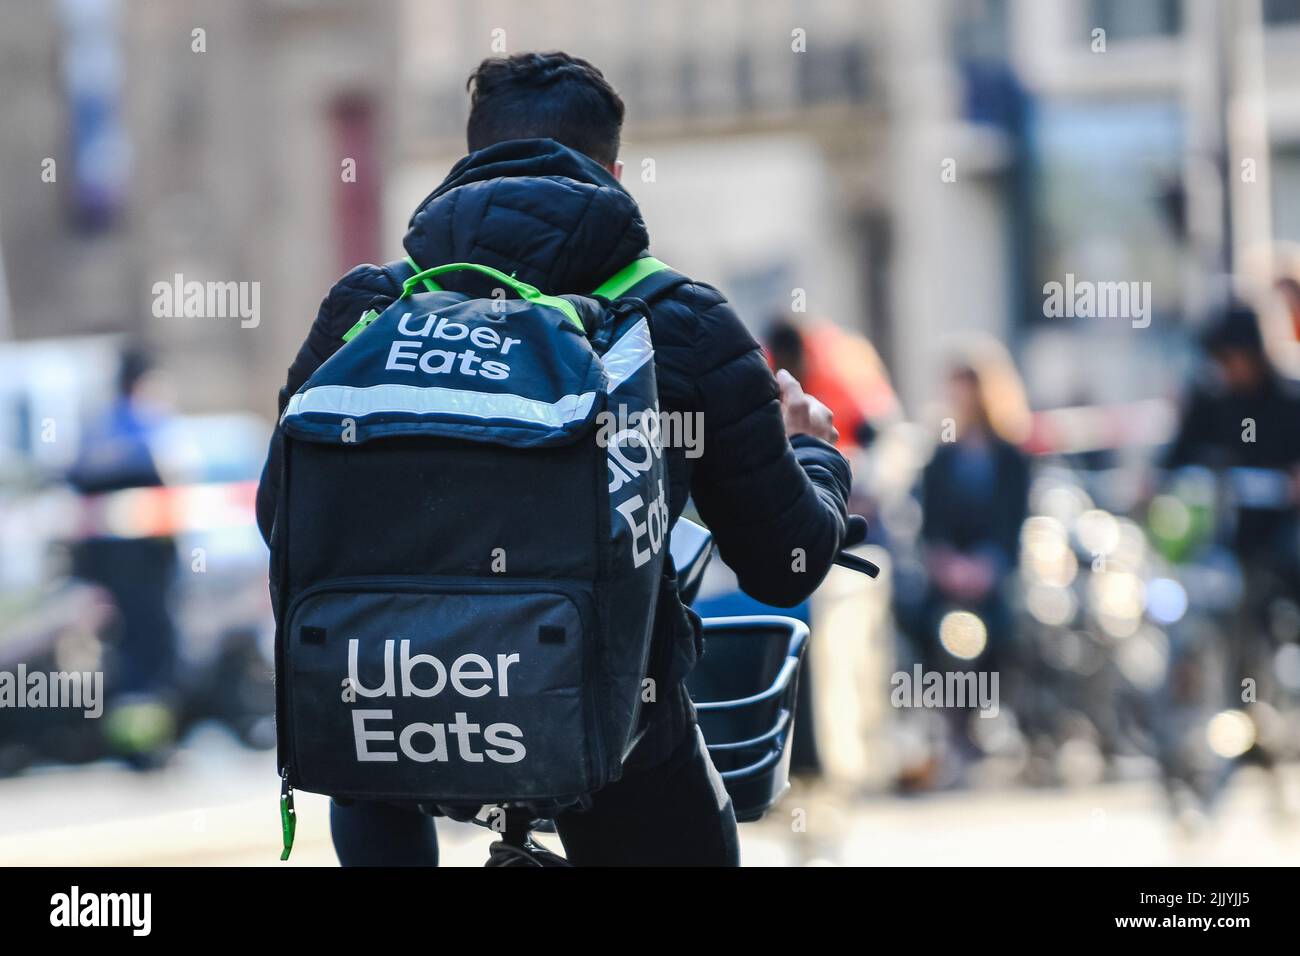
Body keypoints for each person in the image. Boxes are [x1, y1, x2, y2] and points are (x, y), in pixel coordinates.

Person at [256, 51, 852, 866]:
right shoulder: (678, 320)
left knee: (370, 784)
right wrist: (813, 455)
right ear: (611, 169)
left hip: (386, 722)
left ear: (470, 163)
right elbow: (785, 568)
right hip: (606, 732)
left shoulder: (367, 307)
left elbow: (278, 518)